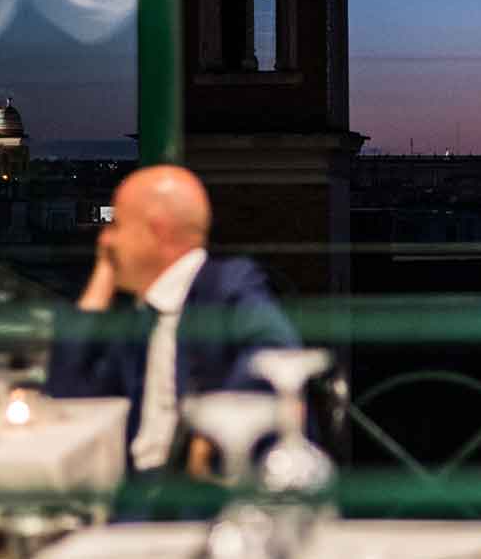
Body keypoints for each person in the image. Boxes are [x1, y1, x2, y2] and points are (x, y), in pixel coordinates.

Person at [45, 165, 299, 475]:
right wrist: (100, 284)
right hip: (133, 496)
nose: (105, 240)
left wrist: (210, 429)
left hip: (200, 496)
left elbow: (276, 353)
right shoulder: (137, 318)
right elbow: (68, 394)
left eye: (117, 225)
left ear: (158, 230)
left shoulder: (227, 285)